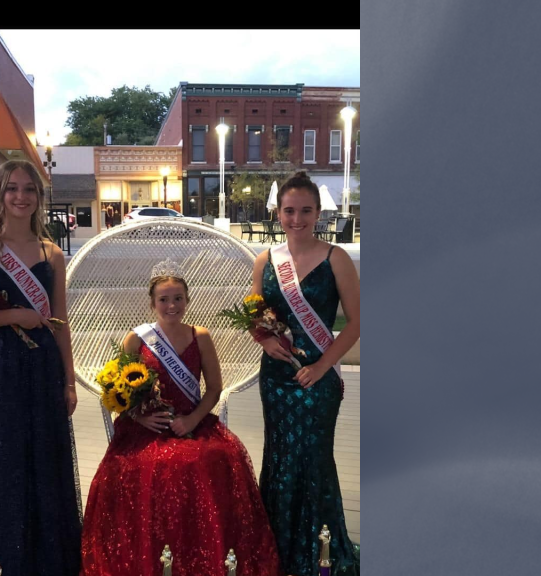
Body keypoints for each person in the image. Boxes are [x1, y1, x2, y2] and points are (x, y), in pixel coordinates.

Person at [81, 261, 280, 576]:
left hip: (193, 420)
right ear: (152, 303)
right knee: (147, 465)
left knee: (215, 457)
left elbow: (214, 389)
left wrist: (191, 420)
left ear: (188, 301)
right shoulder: (137, 339)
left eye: (178, 299)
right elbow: (116, 391)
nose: (171, 305)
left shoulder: (200, 336)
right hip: (146, 426)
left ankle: (208, 554)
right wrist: (140, 417)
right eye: (164, 299)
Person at [0, 159, 81, 576]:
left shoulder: (51, 254)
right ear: (0, 193)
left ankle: (42, 555)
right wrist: (12, 316)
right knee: (1, 457)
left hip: (43, 367)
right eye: (12, 188)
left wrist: (69, 380)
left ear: (39, 197)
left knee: (41, 458)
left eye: (29, 189)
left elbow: (60, 322)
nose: (21, 197)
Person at [250, 171, 361, 575]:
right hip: (276, 379)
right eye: (289, 210)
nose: (297, 218)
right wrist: (264, 341)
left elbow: (356, 323)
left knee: (313, 461)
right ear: (278, 213)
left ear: (318, 213)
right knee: (279, 458)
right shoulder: (266, 260)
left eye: (306, 211)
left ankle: (319, 550)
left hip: (317, 379)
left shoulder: (337, 259)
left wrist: (320, 366)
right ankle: (275, 546)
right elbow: (255, 318)